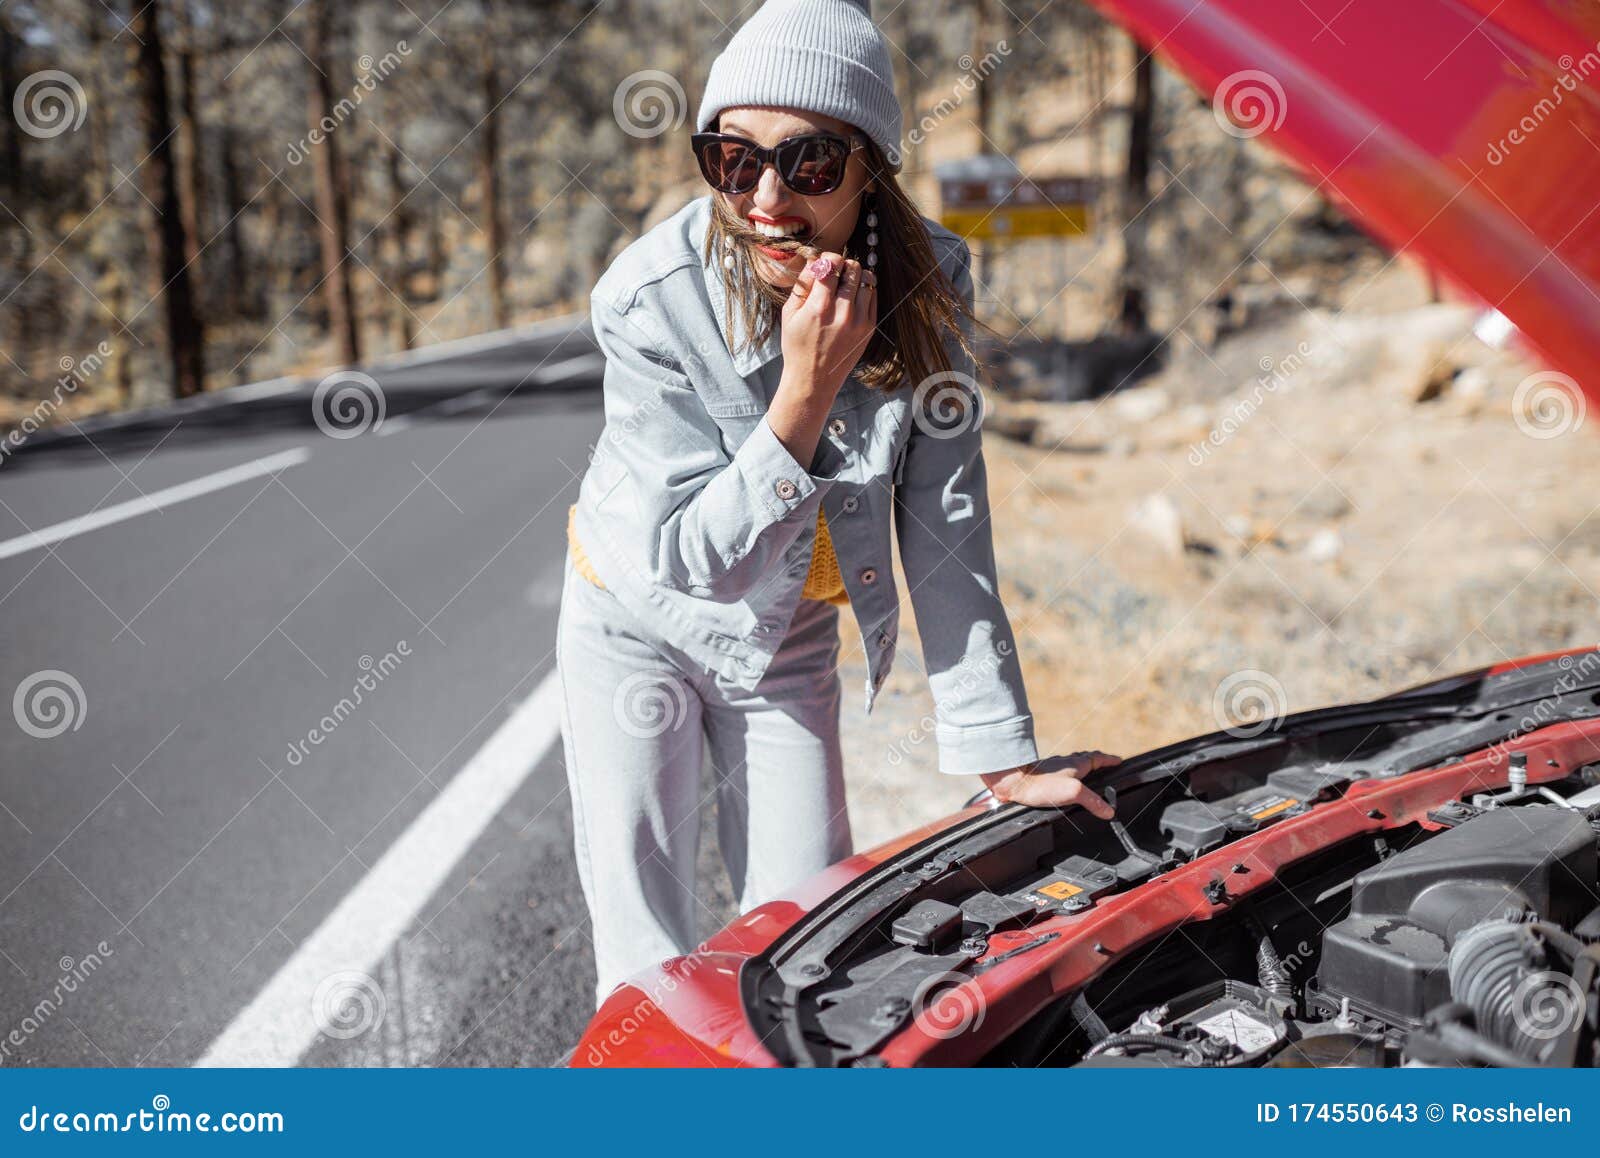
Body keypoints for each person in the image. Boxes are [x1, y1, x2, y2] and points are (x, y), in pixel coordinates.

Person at [558, 0, 1119, 1004]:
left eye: (809, 162)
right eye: (733, 160)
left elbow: (947, 529)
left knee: (807, 940)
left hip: (787, 630)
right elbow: (693, 561)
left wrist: (999, 757)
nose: (766, 199)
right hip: (638, 620)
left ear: (871, 170)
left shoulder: (930, 279)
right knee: (646, 961)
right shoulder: (647, 299)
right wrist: (805, 394)